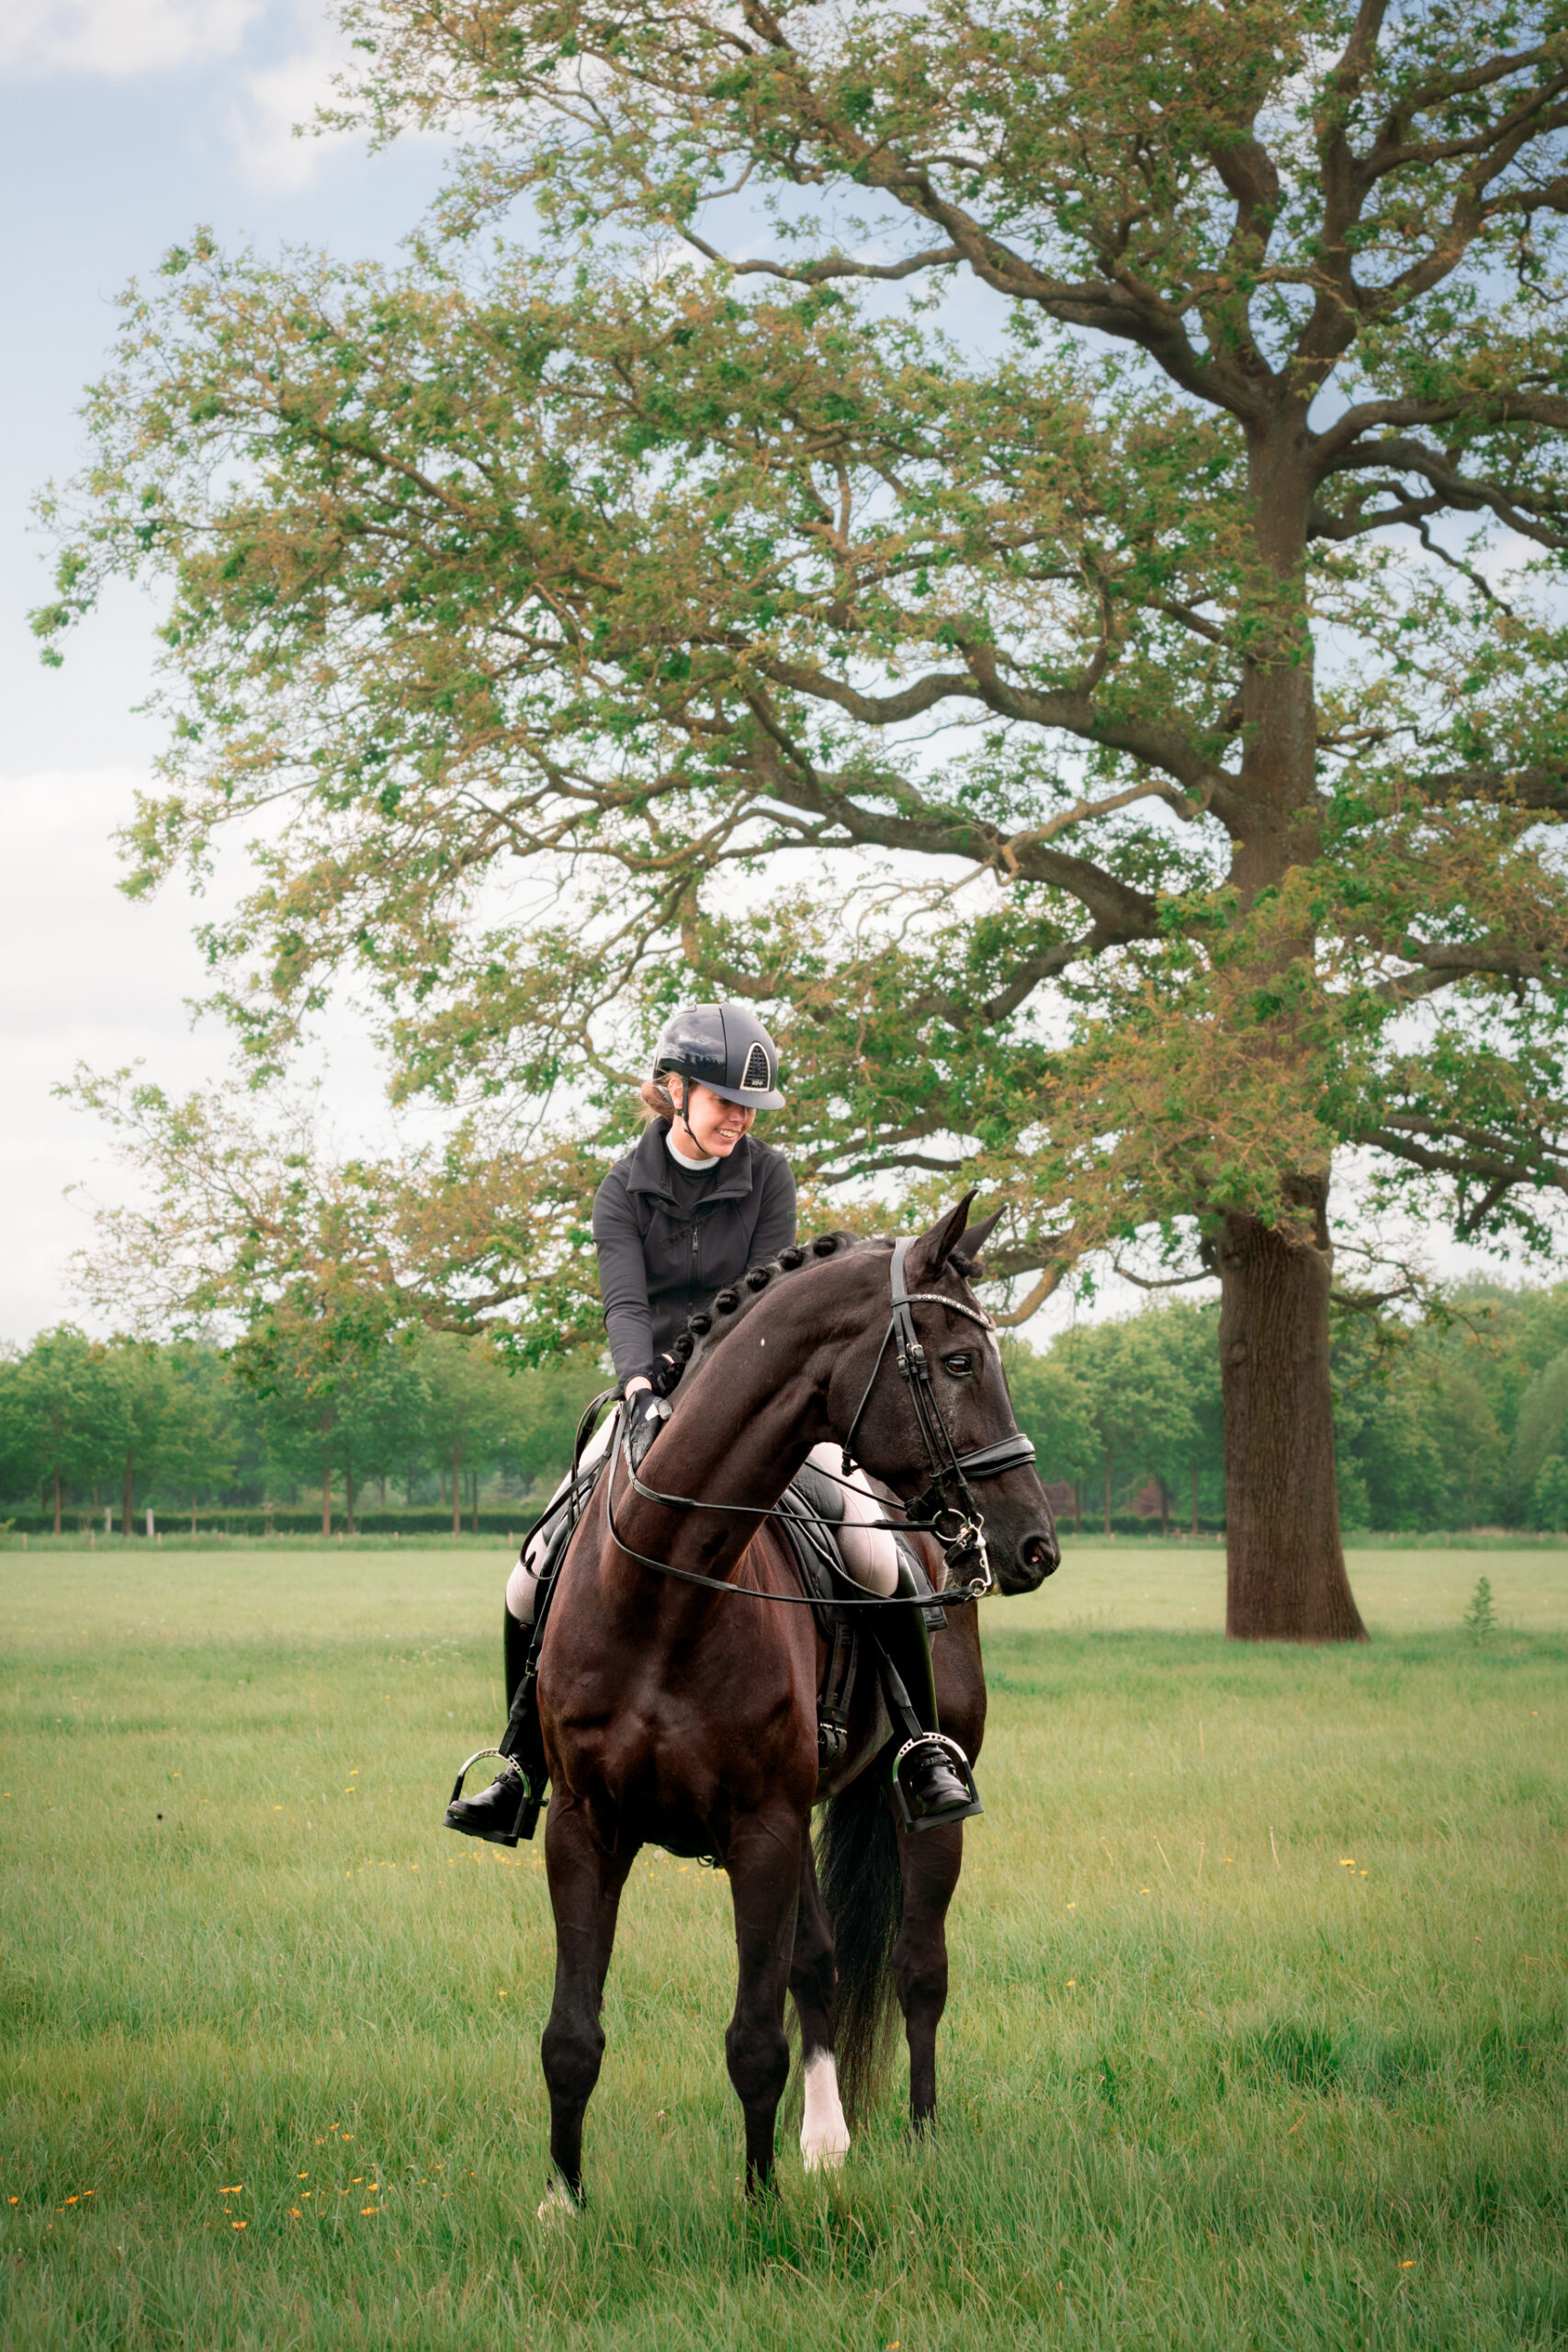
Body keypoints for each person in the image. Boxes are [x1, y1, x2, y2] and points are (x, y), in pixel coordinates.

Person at [443, 1001, 979, 1841]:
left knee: (877, 1558)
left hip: (762, 1405)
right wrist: (637, 1382)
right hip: (648, 1399)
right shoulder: (620, 1190)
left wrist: (733, 1396)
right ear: (673, 1090)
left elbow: (767, 1300)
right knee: (529, 1574)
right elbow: (625, 1304)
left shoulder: (768, 1176)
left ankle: (918, 1745)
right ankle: (520, 1764)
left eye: (749, 1107)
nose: (739, 1119)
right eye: (726, 1100)